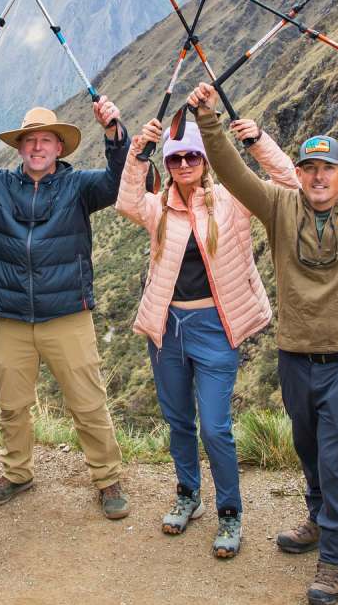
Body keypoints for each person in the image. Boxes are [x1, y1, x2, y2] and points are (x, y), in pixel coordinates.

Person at [191, 74, 338, 605]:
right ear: (298, 174)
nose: (318, 177)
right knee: (307, 445)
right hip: (296, 354)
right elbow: (233, 173)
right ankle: (318, 518)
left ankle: (336, 557)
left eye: (328, 168)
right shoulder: (280, 206)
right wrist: (208, 121)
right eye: (309, 168)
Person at [0, 92, 131, 517]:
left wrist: (115, 134)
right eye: (29, 141)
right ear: (19, 147)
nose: (37, 148)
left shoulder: (80, 187)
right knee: (12, 403)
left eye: (46, 141)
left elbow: (119, 180)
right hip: (12, 315)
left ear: (59, 147)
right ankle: (17, 472)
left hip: (68, 314)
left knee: (87, 401)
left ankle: (108, 479)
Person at [116, 114, 299, 558]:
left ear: (205, 159)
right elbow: (125, 200)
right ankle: (188, 494)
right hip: (167, 329)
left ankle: (230, 512)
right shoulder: (158, 207)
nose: (183, 164)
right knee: (179, 421)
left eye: (191, 155)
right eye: (175, 158)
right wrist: (139, 153)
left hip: (216, 328)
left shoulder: (231, 198)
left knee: (215, 427)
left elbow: (289, 184)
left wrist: (257, 141)